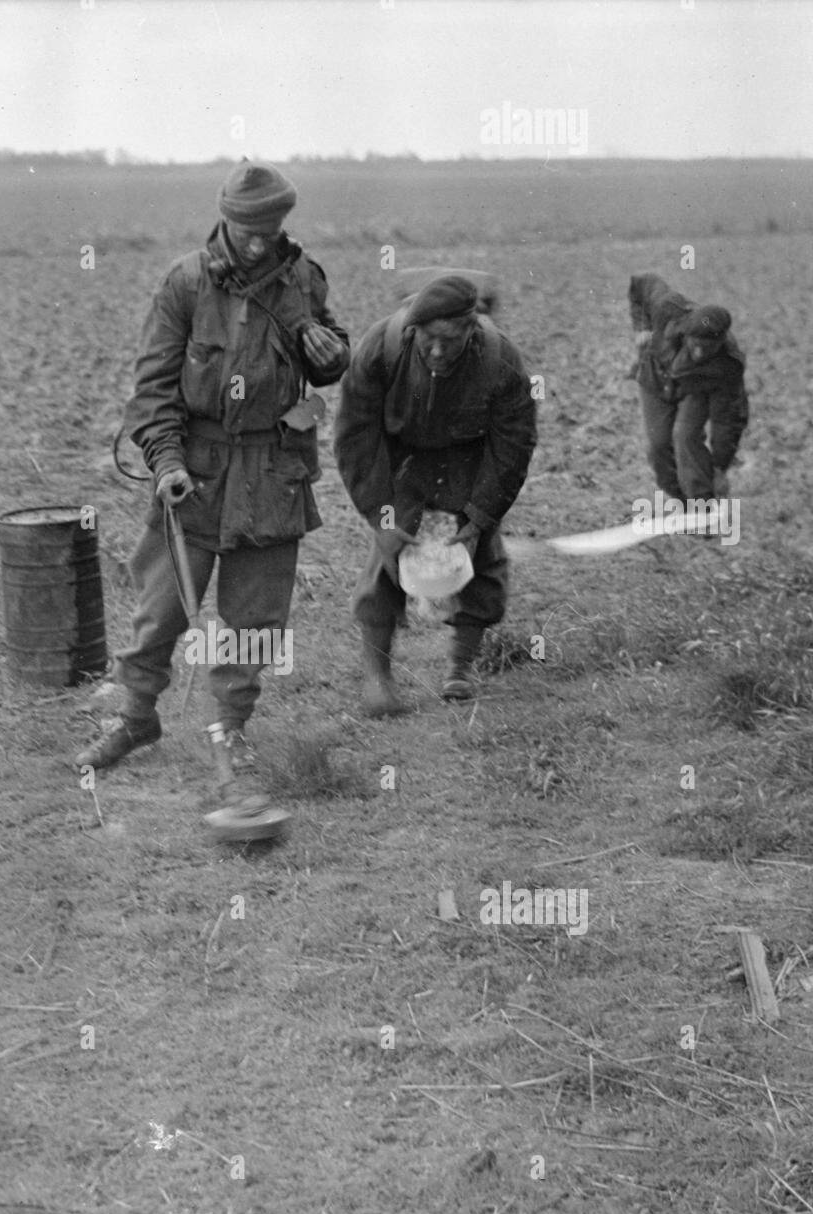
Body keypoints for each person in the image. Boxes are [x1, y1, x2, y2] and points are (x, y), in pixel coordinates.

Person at [74, 161, 350, 813]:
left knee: (253, 623)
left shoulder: (303, 279)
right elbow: (152, 393)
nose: (257, 242)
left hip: (274, 476)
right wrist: (167, 463)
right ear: (225, 220)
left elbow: (329, 356)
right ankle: (136, 716)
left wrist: (334, 354)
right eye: (245, 229)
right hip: (193, 476)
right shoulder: (187, 284)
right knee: (161, 608)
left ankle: (231, 733)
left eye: (269, 229)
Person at [333, 274, 537, 713]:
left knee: (479, 558)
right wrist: (382, 517)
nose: (438, 351)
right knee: (389, 559)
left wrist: (481, 516)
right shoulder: (380, 348)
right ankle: (377, 681)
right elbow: (354, 436)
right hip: (402, 458)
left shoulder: (501, 360)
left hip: (471, 457)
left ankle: (460, 668)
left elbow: (513, 445)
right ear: (412, 331)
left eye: (450, 340)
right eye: (429, 340)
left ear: (471, 327)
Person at [629, 273, 748, 504]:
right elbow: (640, 283)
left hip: (694, 390)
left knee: (686, 437)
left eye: (707, 349)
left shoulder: (728, 364)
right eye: (695, 346)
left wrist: (720, 468)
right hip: (655, 380)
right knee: (658, 446)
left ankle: (703, 504)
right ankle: (680, 501)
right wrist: (641, 327)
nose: (699, 354)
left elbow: (727, 420)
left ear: (720, 341)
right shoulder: (668, 308)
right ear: (686, 334)